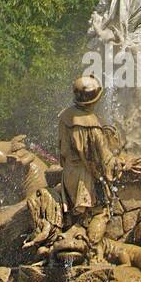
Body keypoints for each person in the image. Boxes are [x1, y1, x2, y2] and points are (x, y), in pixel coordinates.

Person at [56, 75, 119, 244]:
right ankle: (90, 248)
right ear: (93, 100)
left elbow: (62, 149)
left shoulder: (65, 117)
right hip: (83, 178)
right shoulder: (90, 124)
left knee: (76, 216)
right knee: (97, 213)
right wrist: (118, 164)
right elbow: (102, 157)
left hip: (69, 173)